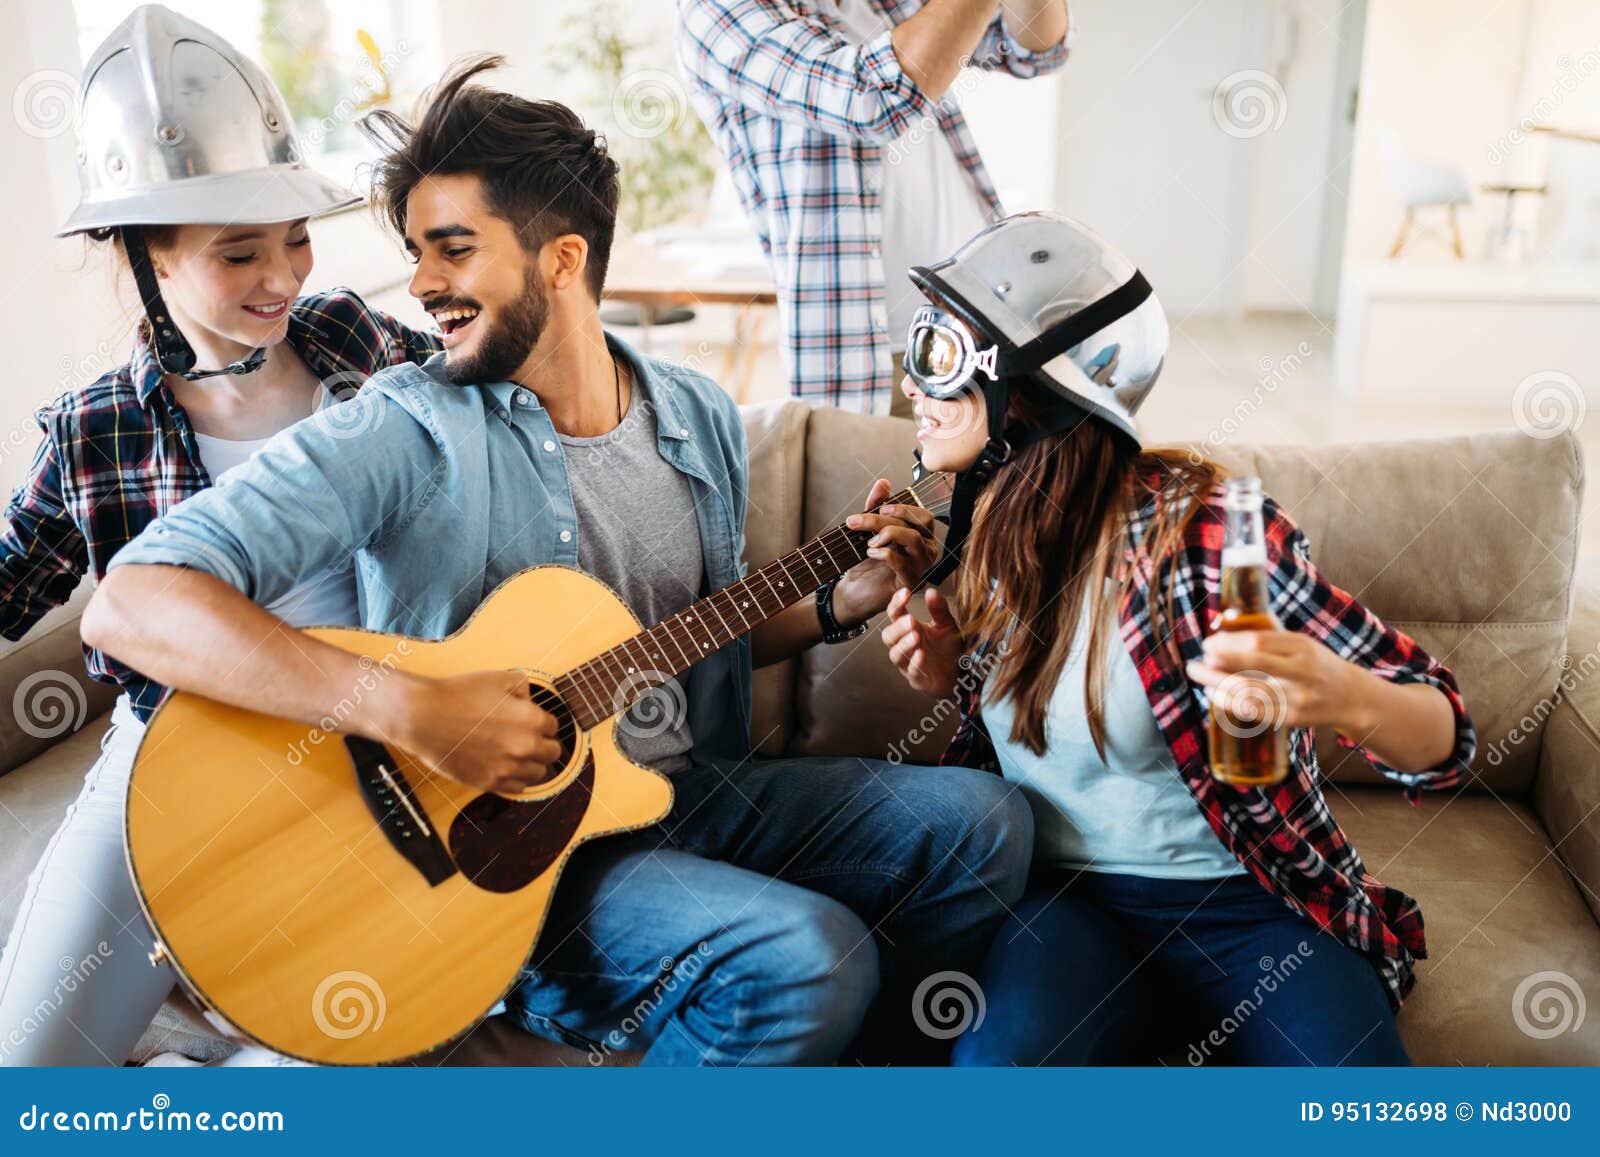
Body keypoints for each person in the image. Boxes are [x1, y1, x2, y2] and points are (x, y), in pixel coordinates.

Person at [81, 56, 1033, 1066]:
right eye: (416, 253)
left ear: (563, 259)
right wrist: (411, 710)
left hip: (679, 789)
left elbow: (689, 636)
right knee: (805, 954)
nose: (421, 286)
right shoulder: (403, 427)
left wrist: (836, 602)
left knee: (984, 820)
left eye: (451, 250)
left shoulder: (696, 411)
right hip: (494, 862)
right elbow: (132, 604)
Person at [877, 211, 1477, 1065]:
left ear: (1031, 390)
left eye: (937, 354)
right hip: (1066, 904)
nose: (912, 386)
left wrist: (1344, 694)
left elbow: (1447, 734)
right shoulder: (984, 532)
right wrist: (949, 674)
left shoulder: (1208, 538)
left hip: (1246, 903)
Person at [0, 5, 446, 1067]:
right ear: (145, 256)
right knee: (31, 1077)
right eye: (239, 252)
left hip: (362, 755)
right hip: (168, 760)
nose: (283, 278)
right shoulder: (95, 429)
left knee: (342, 1057)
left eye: (295, 240)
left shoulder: (362, 343)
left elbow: (507, 394)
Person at [678, 0, 1071, 416]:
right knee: (891, 482)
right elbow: (875, 98)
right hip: (883, 367)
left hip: (989, 329)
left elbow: (1035, 49)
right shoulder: (716, 9)